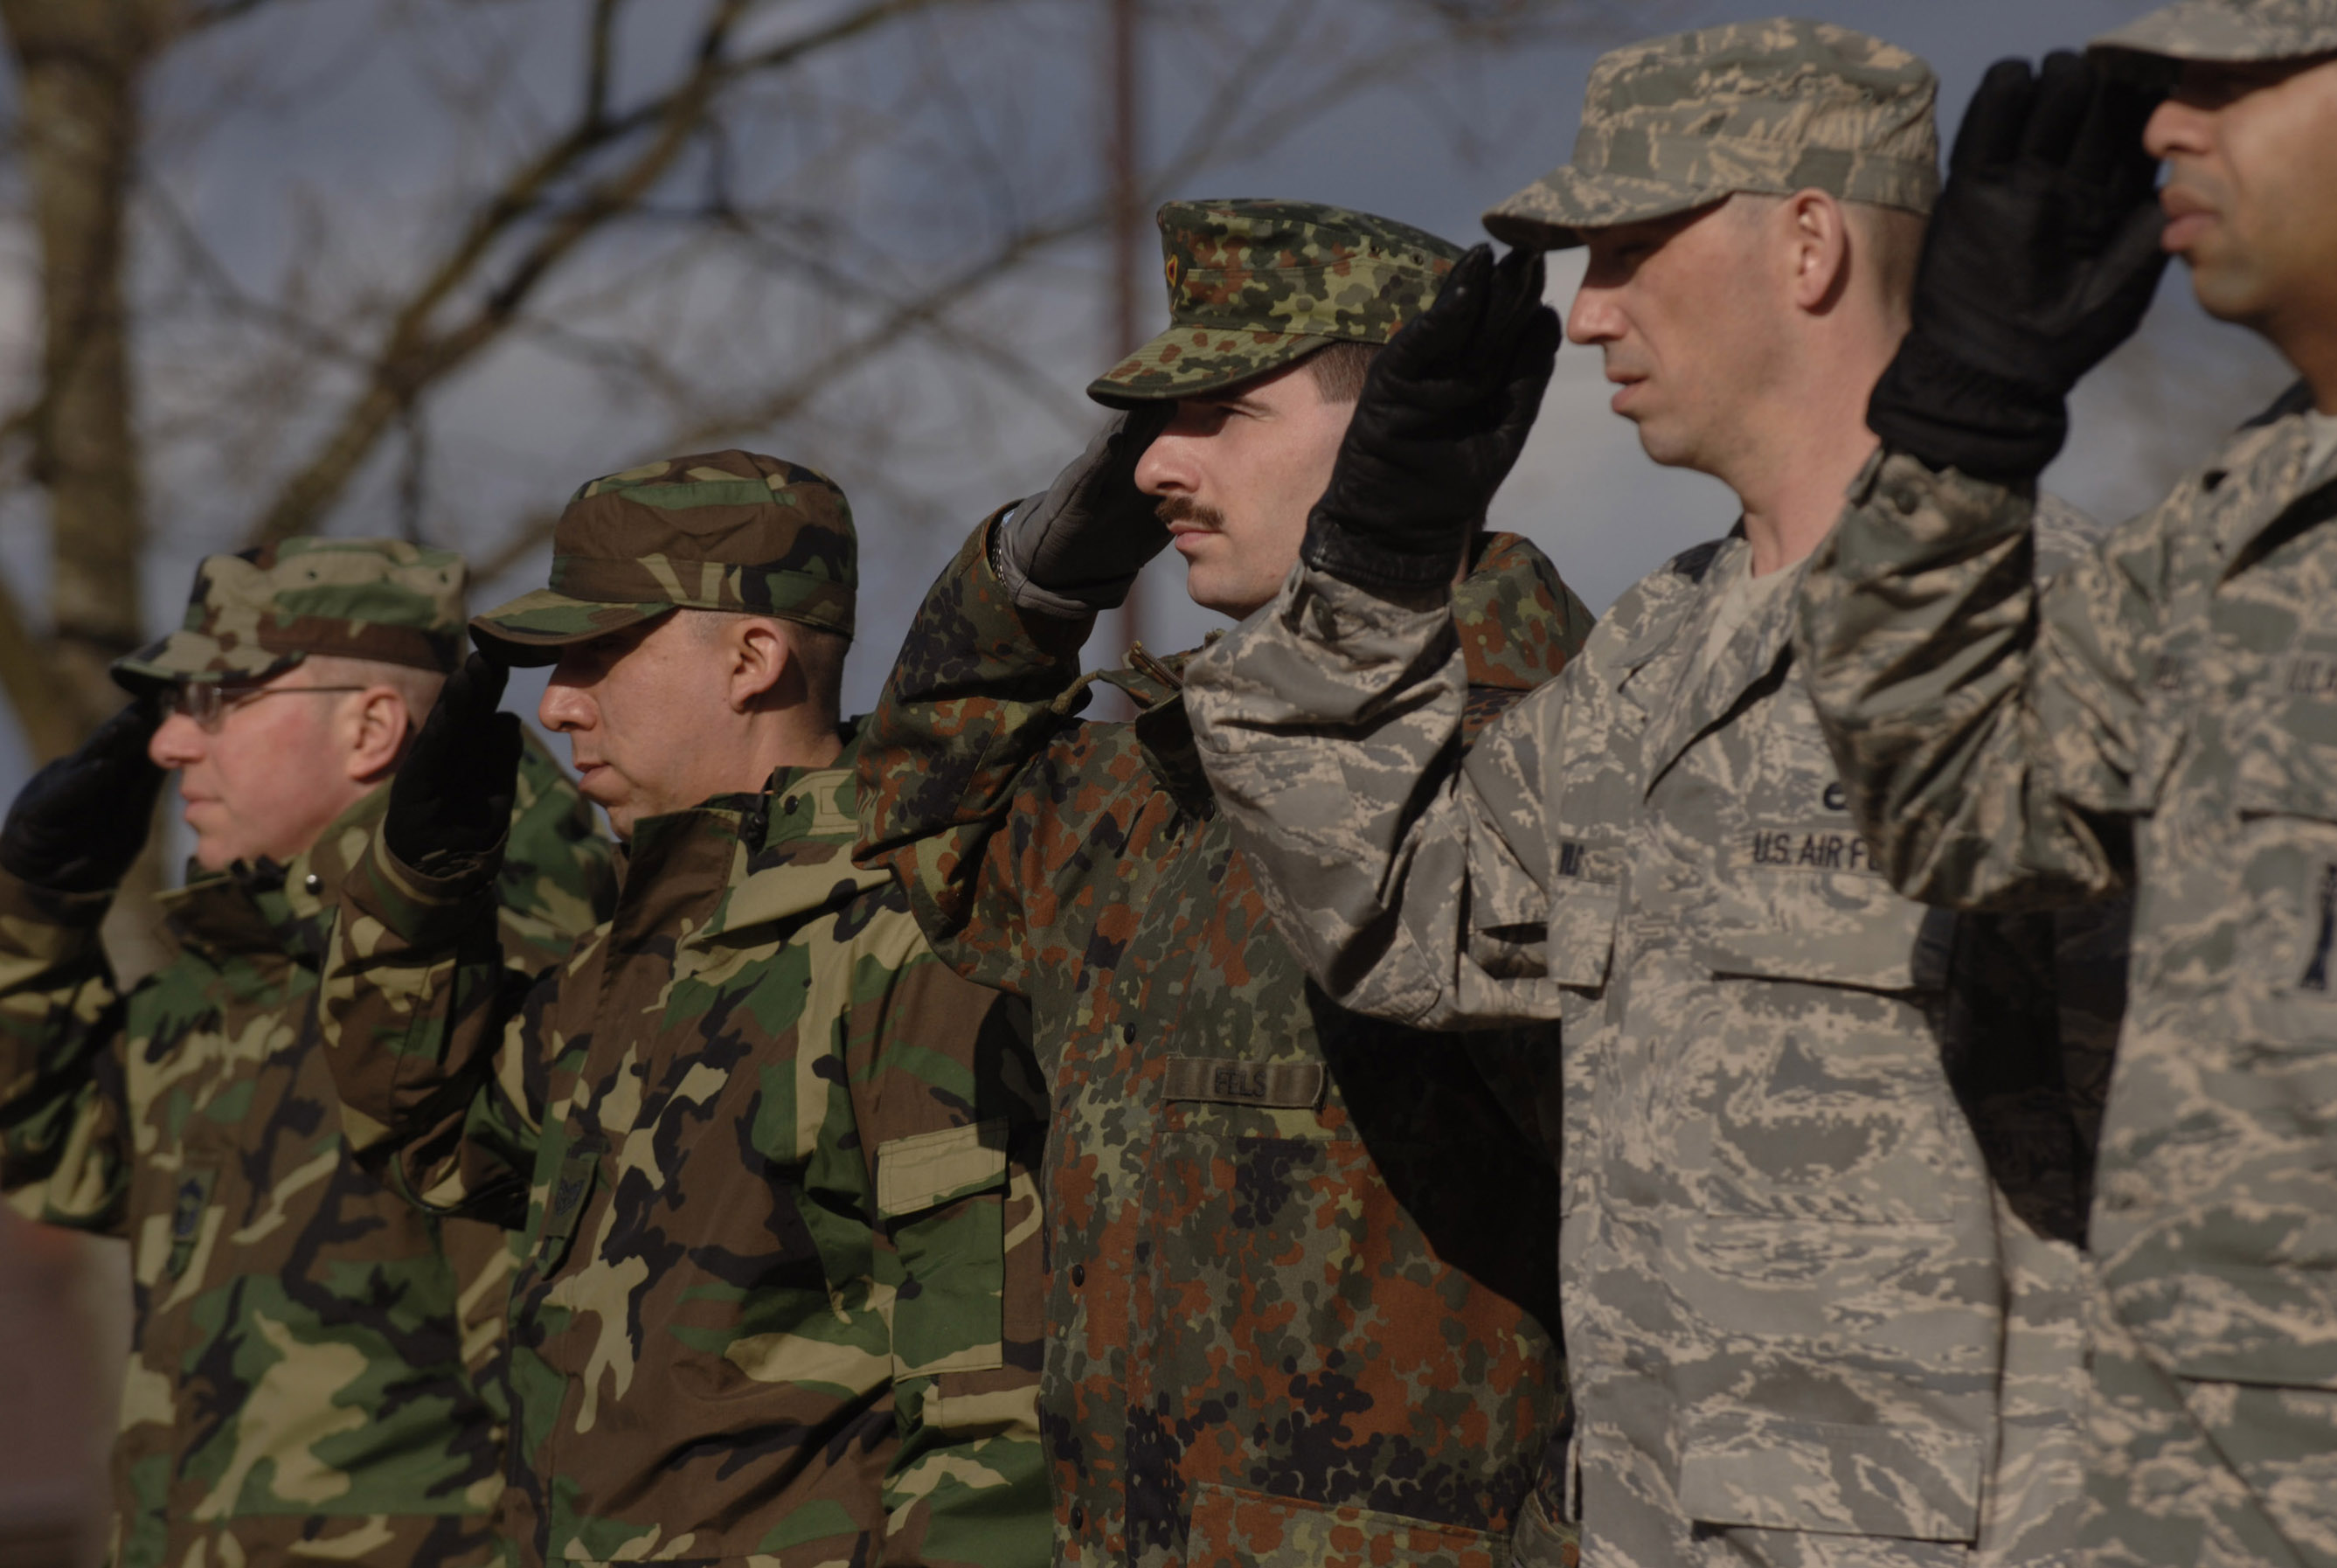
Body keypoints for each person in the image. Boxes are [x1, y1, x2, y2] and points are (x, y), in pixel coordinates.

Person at [1180, 24, 2118, 1568]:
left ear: (1807, 241)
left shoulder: (2056, 623)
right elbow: (1406, 918)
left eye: (1627, 245)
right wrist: (1375, 567)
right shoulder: (1658, 648)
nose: (1589, 309)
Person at [856, 198, 1588, 1568]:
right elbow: (922, 811)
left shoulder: (1541, 761)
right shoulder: (1158, 782)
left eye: (1224, 412)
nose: (1154, 469)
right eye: (1145, 428)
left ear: (1401, 434)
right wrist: (1029, 577)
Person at [1793, 3, 2337, 1562]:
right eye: (2164, 87)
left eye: (2235, 80)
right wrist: (1965, 422)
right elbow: (1961, 811)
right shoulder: (2243, 510)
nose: (2169, 128)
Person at [318, 451, 1049, 1568]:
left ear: (752, 656)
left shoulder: (904, 933)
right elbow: (426, 1127)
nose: (557, 704)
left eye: (597, 652)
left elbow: (994, 1404)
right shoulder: (631, 963)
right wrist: (421, 885)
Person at [0, 538, 614, 1568]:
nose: (167, 747)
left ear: (370, 726)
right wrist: (34, 912)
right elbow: (43, 1145)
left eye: (216, 698)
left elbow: (568, 1433)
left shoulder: (501, 976)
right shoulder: (225, 991)